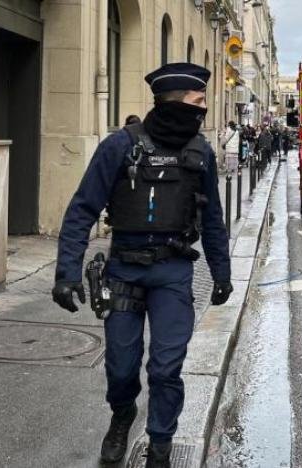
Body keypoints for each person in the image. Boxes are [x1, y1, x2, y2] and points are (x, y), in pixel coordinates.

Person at [51, 62, 233, 467]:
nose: (203, 109)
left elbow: (213, 219)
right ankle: (122, 413)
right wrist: (66, 273)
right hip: (124, 271)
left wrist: (222, 272)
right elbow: (82, 209)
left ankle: (161, 445)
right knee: (120, 366)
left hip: (172, 271)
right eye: (198, 101)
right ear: (175, 102)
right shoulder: (119, 147)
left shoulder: (199, 152)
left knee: (166, 367)